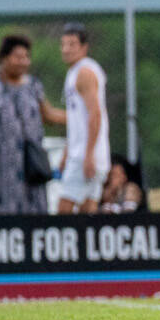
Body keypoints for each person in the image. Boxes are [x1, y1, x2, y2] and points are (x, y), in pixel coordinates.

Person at [0, 33, 54, 217]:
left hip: (27, 162)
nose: (23, 62)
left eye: (26, 57)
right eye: (18, 57)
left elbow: (48, 114)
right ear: (4, 58)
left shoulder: (33, 85)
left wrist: (80, 117)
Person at [55, 23, 109, 215]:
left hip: (86, 156)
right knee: (88, 209)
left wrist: (88, 155)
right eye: (63, 44)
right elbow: (77, 120)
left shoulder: (85, 72)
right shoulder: (73, 73)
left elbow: (95, 114)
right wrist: (66, 152)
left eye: (72, 44)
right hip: (81, 153)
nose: (66, 49)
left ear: (84, 47)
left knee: (64, 210)